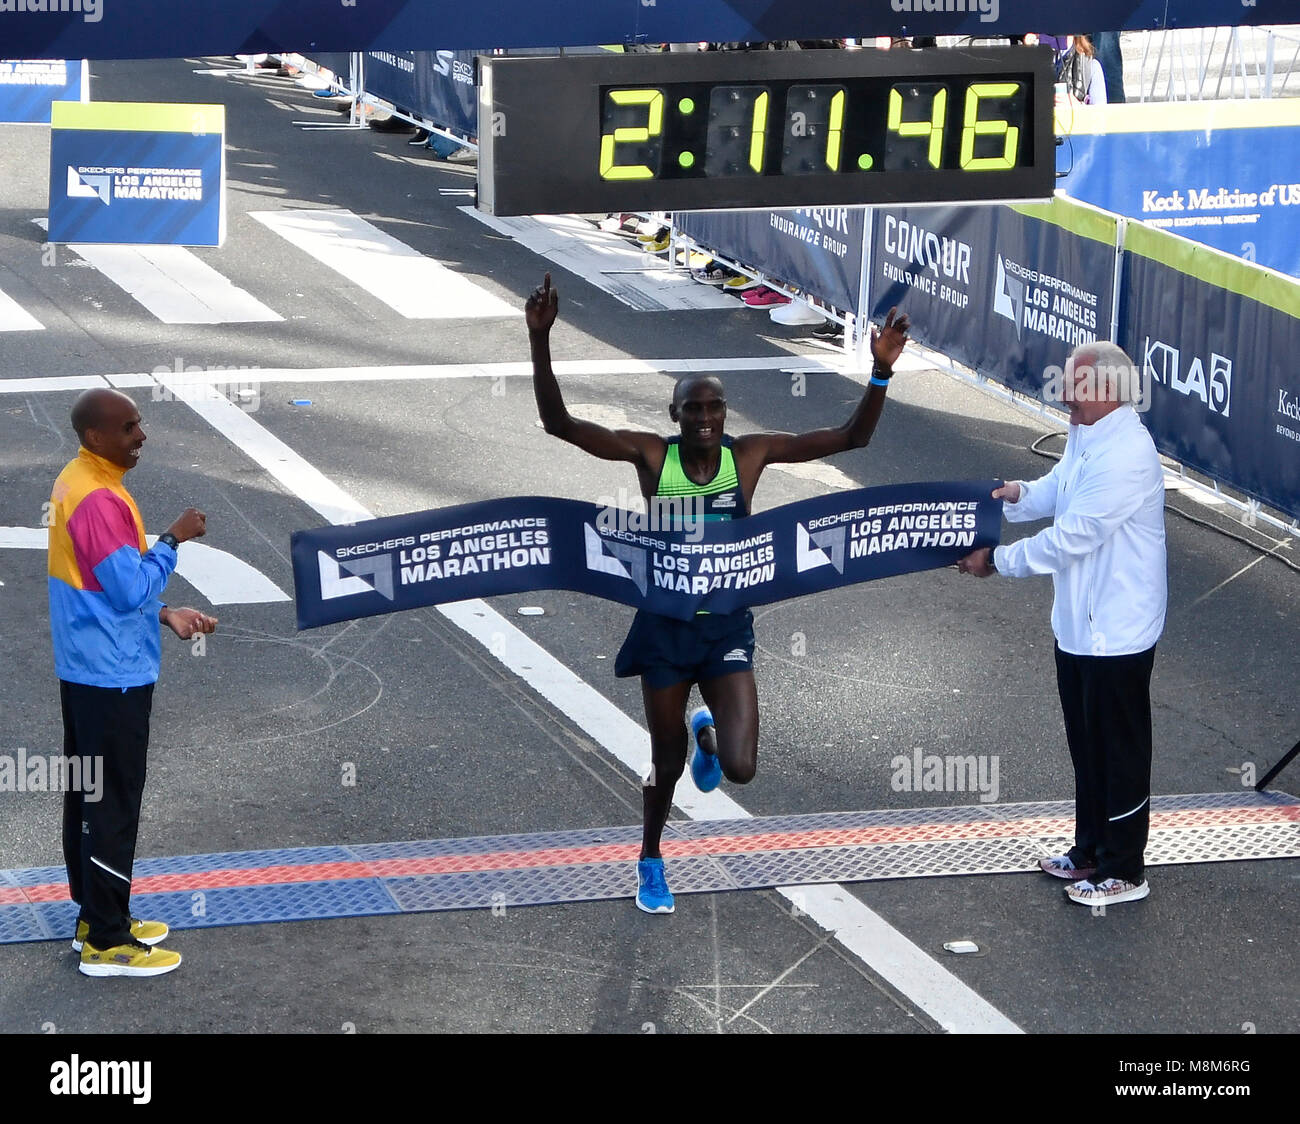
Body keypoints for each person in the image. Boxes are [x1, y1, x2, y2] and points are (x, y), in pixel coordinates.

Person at [526, 273, 910, 913]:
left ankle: (711, 733)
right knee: (666, 761)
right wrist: (540, 341)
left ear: (725, 415)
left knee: (741, 768)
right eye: (693, 409)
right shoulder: (652, 457)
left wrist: (879, 373)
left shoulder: (750, 455)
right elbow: (559, 423)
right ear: (674, 417)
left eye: (715, 408)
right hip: (667, 630)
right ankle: (651, 858)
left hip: (726, 626)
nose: (706, 418)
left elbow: (851, 440)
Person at [956, 342, 1165, 906]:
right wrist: (1012, 498)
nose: (1065, 393)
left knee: (1118, 749)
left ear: (1108, 392)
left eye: (1076, 385)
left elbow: (1073, 538)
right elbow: (1059, 490)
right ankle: (1090, 849)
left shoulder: (1128, 455)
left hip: (1118, 632)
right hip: (1077, 625)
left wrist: (997, 560)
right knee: (1086, 744)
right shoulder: (1087, 434)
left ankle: (1126, 867)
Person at [48, 388, 217, 976]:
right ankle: (107, 941)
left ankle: (95, 916)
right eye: (128, 427)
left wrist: (165, 613)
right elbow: (126, 589)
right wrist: (173, 540)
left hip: (88, 665)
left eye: (138, 423)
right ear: (96, 437)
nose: (140, 435)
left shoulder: (81, 478)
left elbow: (105, 584)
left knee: (88, 797)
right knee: (112, 801)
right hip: (112, 674)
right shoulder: (97, 497)